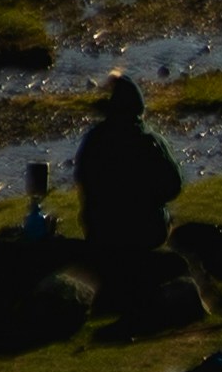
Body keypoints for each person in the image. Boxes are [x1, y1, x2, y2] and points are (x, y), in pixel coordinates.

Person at [70, 71, 186, 286]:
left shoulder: (94, 139)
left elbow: (81, 179)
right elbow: (174, 186)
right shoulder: (152, 141)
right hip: (147, 233)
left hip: (101, 231)